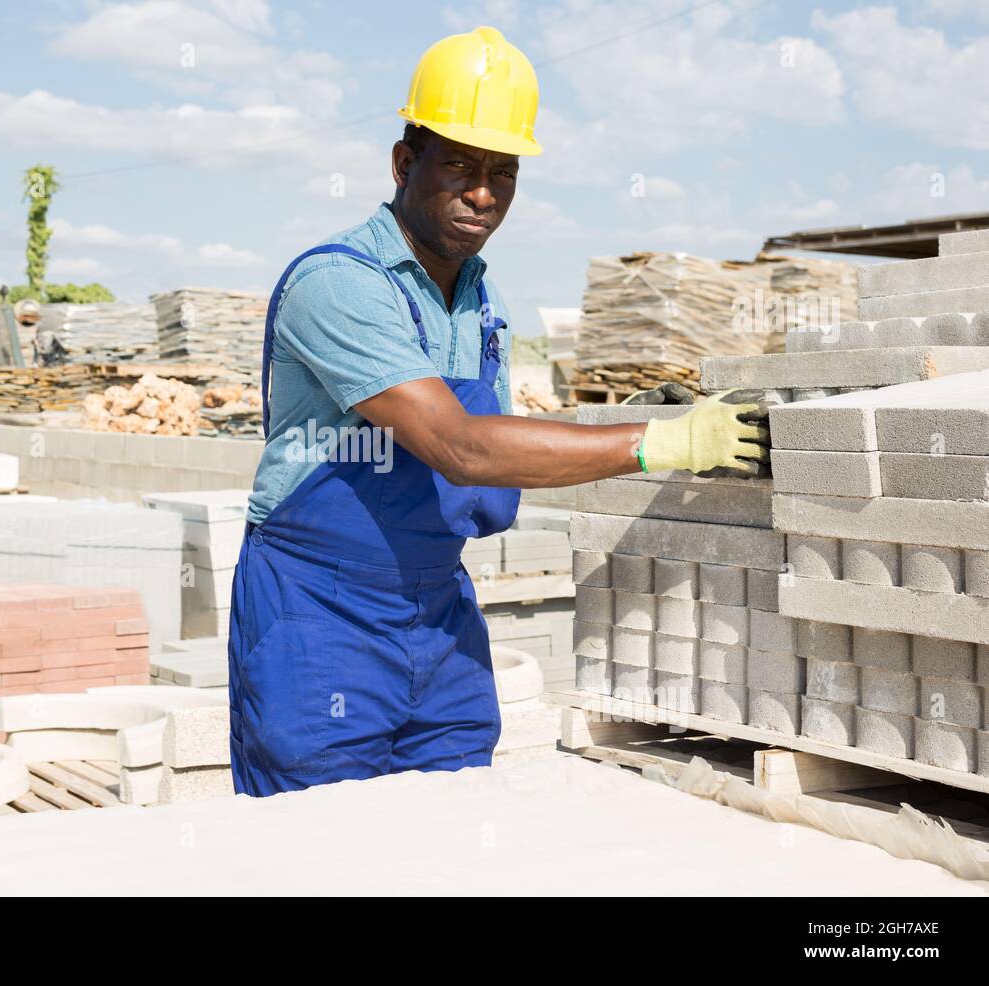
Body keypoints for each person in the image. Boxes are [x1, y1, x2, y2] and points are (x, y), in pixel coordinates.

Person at [229, 26, 769, 797]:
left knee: (457, 823)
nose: (482, 194)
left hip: (438, 606)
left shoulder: (482, 300)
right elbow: (463, 449)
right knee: (325, 844)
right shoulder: (341, 284)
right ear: (404, 162)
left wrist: (629, 414)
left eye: (502, 172)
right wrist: (662, 443)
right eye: (458, 165)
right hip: (321, 613)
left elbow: (502, 439)